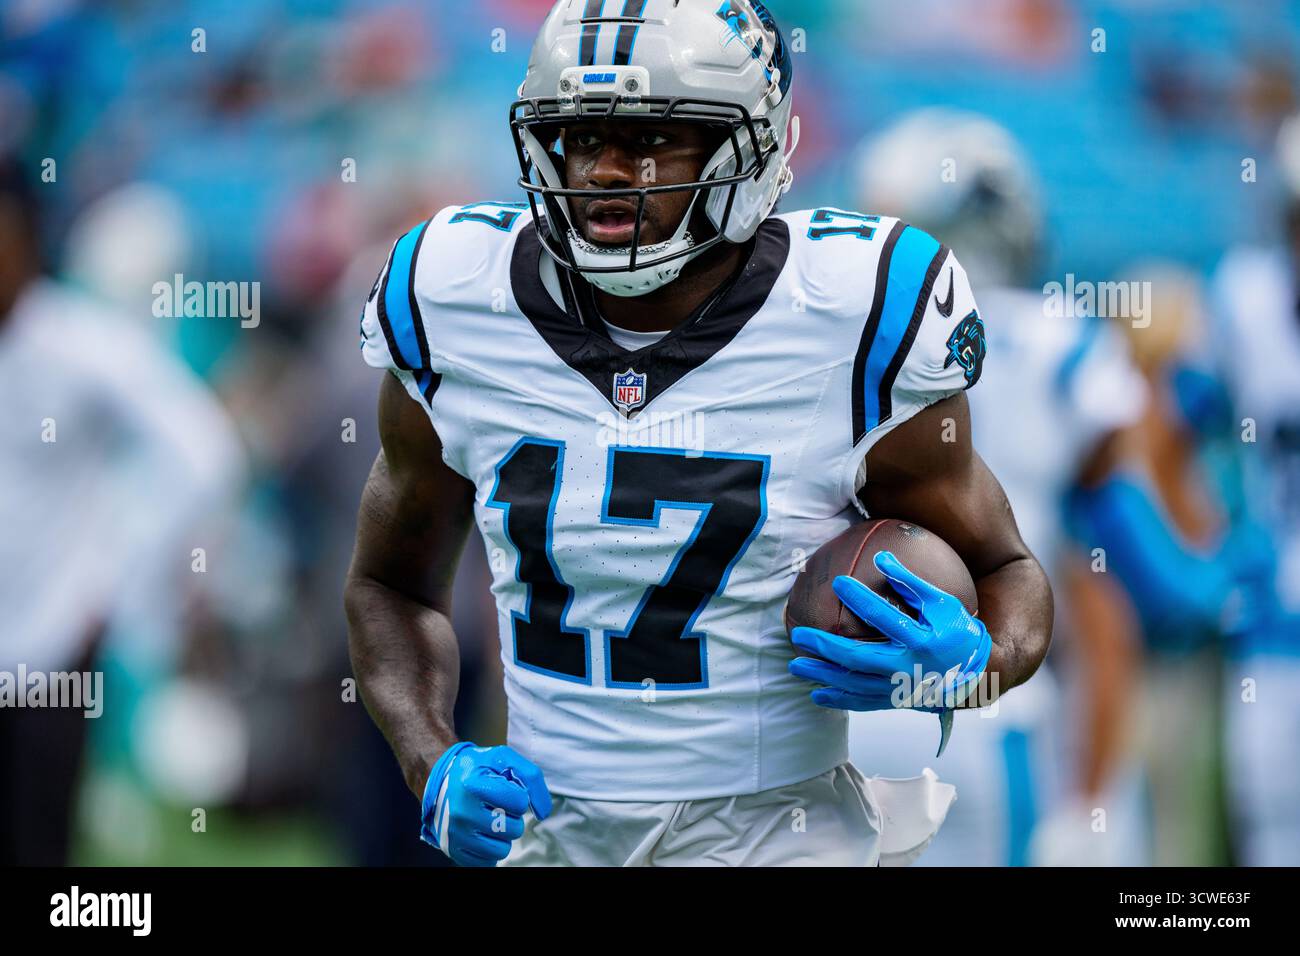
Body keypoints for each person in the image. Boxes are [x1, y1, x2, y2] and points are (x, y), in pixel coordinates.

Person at [345, 0, 1052, 867]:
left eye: (651, 139)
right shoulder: (452, 295)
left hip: (784, 838)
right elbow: (390, 586)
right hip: (553, 835)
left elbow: (1010, 572)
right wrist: (433, 760)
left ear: (753, 145)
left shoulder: (857, 311)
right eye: (580, 135)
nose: (605, 171)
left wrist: (973, 661)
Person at [850, 110, 1151, 866]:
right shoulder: (1065, 343)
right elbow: (1125, 578)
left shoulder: (834, 334)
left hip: (839, 708)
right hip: (988, 703)